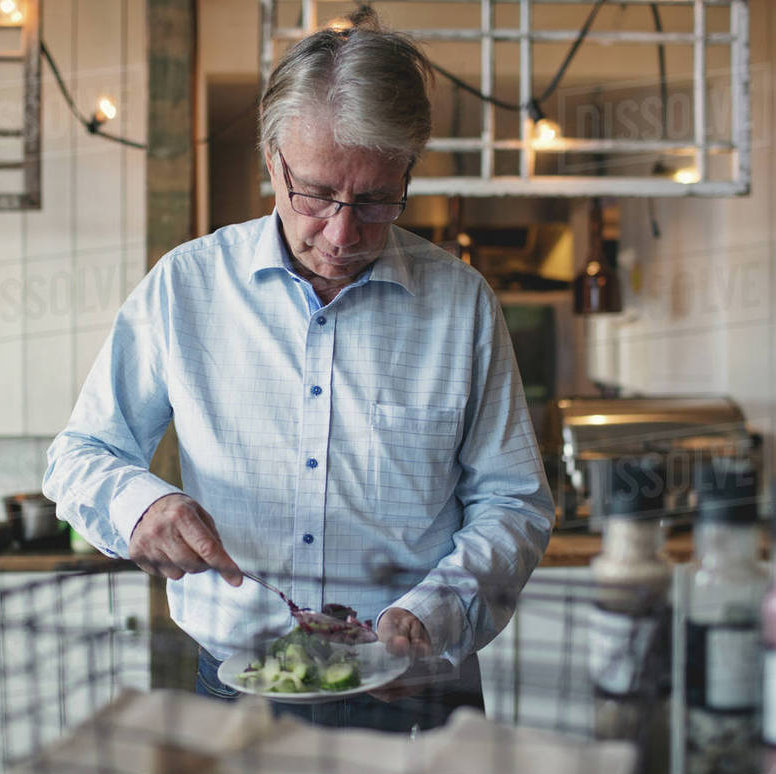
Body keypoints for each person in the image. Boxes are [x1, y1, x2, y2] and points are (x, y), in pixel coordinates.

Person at [42, 9, 553, 733]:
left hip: (418, 691)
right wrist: (139, 508)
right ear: (270, 158)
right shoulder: (186, 286)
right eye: (315, 193)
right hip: (242, 690)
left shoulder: (461, 304)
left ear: (408, 172)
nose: (342, 233)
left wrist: (435, 613)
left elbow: (514, 503)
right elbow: (80, 454)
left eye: (375, 200)